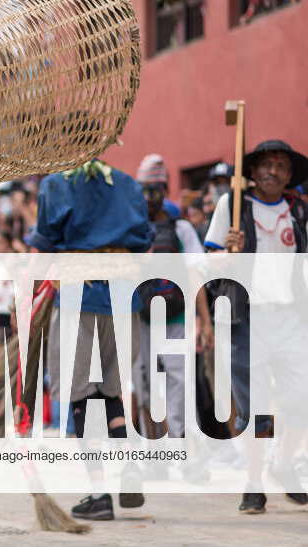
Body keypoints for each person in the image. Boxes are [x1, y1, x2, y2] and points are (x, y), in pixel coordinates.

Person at [27, 158, 152, 521]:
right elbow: (143, 242)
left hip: (79, 297)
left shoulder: (56, 184)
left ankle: (99, 492)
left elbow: (44, 246)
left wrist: (29, 300)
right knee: (111, 392)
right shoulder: (128, 184)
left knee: (80, 395)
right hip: (125, 297)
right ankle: (129, 467)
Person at [203, 139, 308, 513]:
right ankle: (254, 482)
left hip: (291, 317)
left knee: (301, 400)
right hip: (246, 318)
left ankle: (283, 465)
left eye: (281, 165)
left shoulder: (299, 212)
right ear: (252, 171)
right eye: (266, 164)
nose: (273, 171)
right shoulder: (232, 207)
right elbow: (209, 262)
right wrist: (228, 251)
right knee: (254, 407)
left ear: (290, 175)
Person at [132, 154, 209, 479]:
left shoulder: (181, 229)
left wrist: (203, 319)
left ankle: (180, 447)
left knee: (180, 382)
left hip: (175, 317)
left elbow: (195, 276)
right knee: (144, 384)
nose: (151, 196)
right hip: (141, 318)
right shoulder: (132, 232)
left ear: (165, 189)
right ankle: (155, 453)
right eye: (146, 189)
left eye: (156, 188)